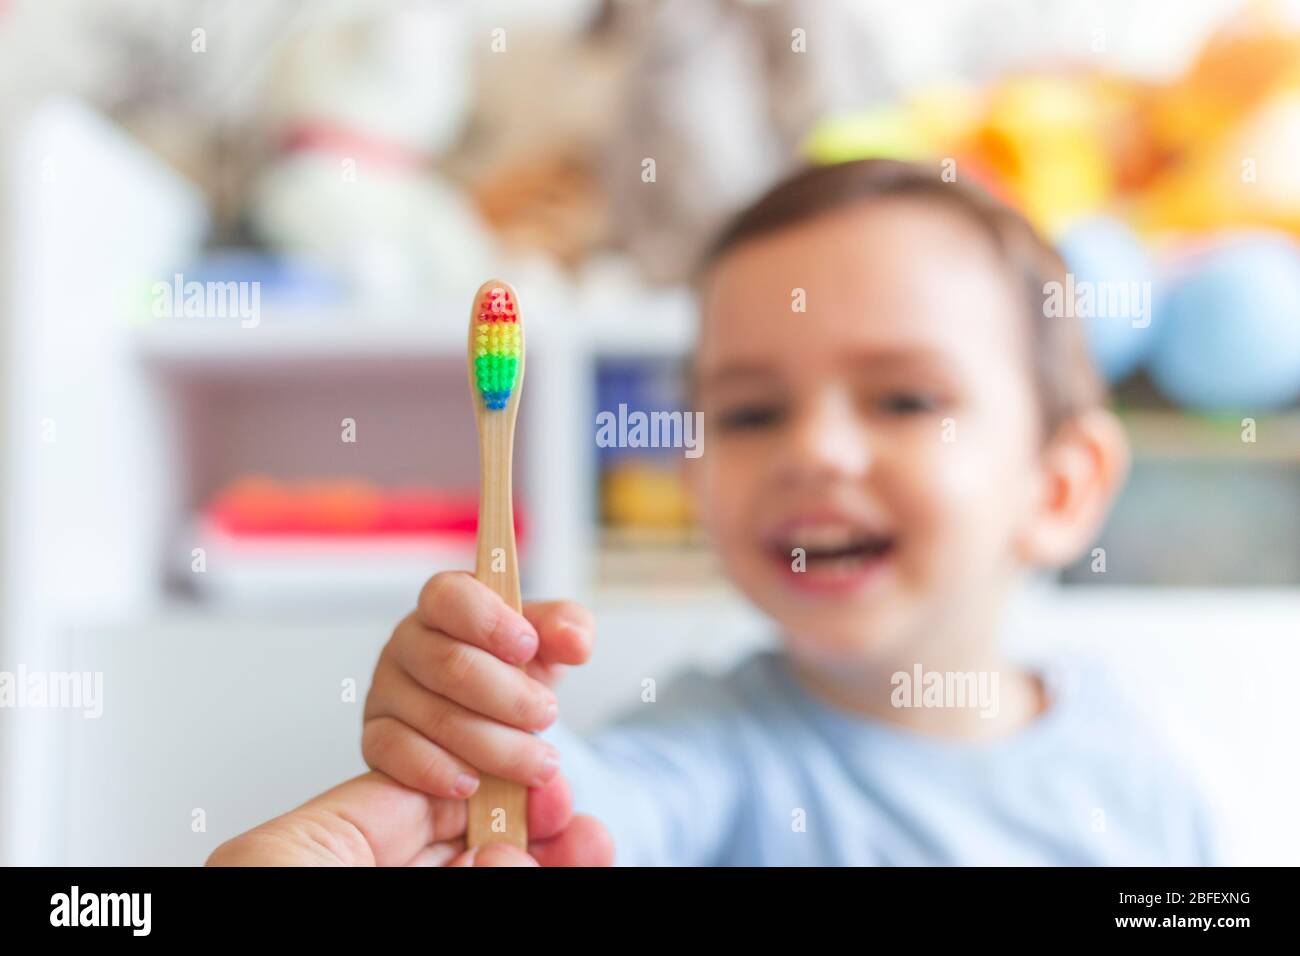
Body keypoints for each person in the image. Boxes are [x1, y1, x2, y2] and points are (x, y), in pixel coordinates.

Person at [360, 158, 1221, 865]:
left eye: (905, 400)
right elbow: (588, 813)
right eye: (751, 414)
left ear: (1060, 488)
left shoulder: (1139, 766)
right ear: (695, 484)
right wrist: (483, 736)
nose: (813, 452)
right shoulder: (708, 753)